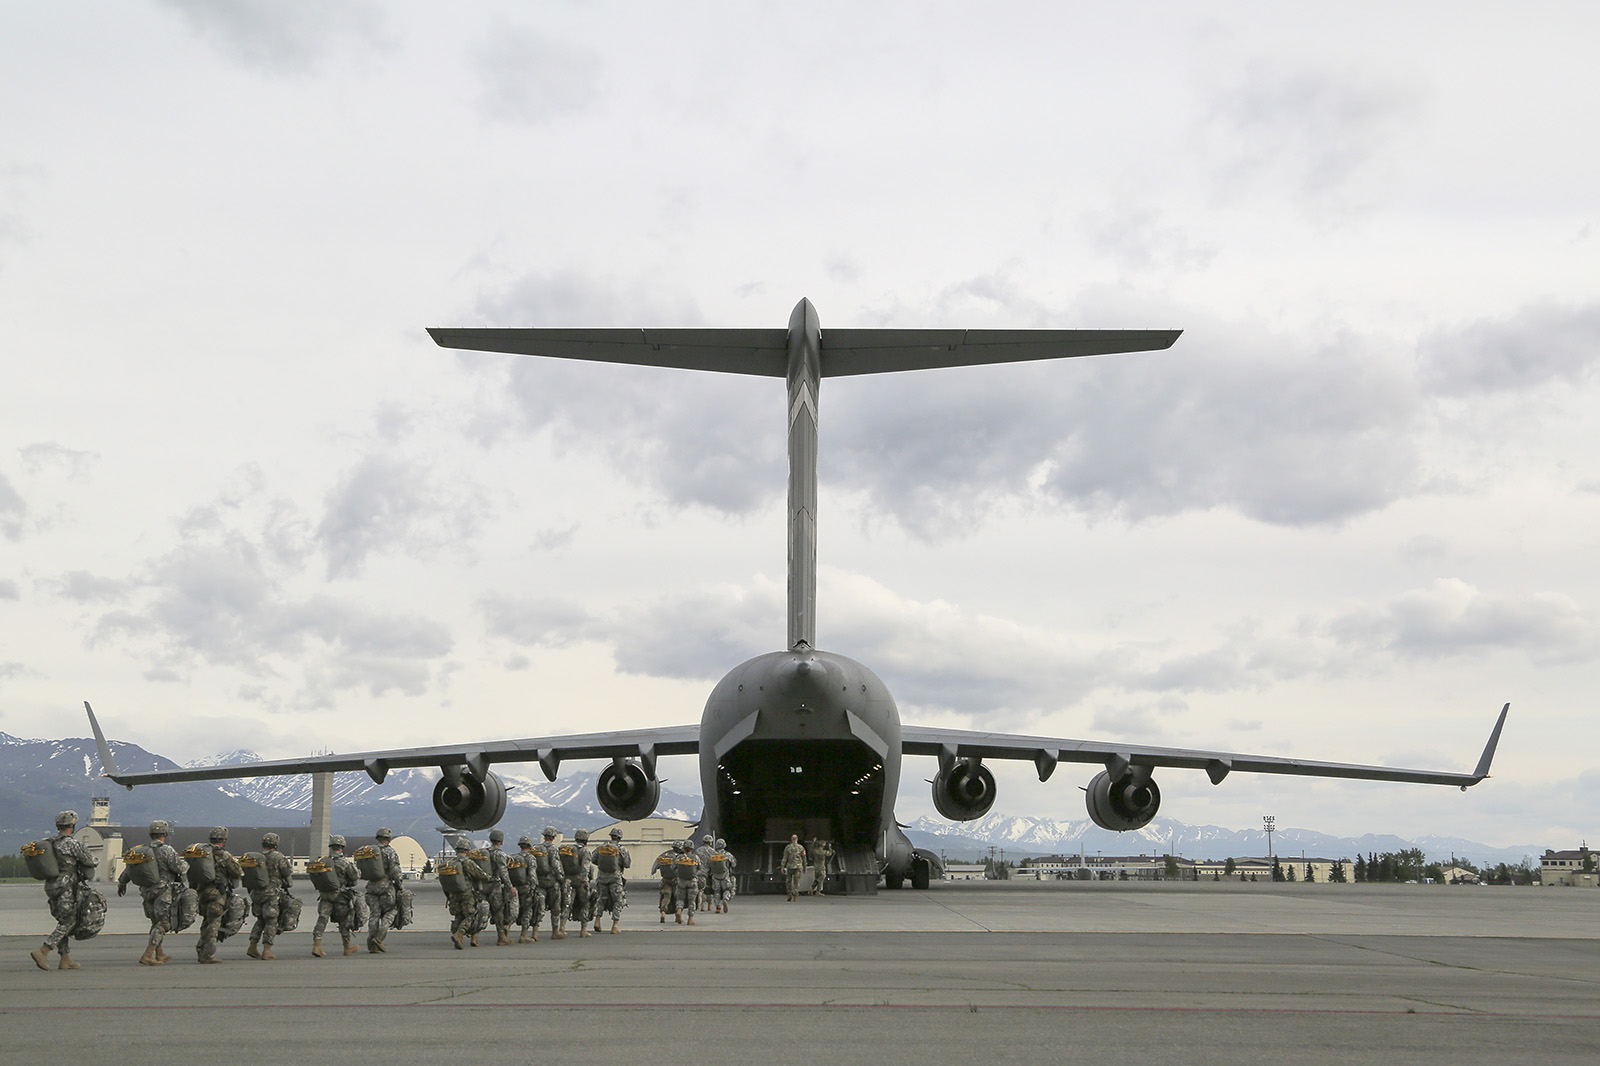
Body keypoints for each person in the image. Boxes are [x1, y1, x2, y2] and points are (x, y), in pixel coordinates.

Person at [29, 810, 98, 971]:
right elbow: (91, 860)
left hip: (51, 885)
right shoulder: (71, 843)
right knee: (69, 921)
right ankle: (43, 951)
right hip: (66, 885)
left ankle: (65, 959)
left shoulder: (49, 842)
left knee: (62, 920)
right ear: (72, 826)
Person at [117, 819, 187, 966]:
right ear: (165, 834)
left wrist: (122, 884)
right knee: (163, 922)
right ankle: (148, 954)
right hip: (162, 891)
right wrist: (186, 863)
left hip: (146, 891)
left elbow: (128, 870)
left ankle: (159, 953)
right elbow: (180, 868)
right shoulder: (166, 850)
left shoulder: (141, 850)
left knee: (155, 922)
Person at [192, 827, 242, 964]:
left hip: (202, 893)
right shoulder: (224, 855)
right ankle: (208, 954)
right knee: (214, 922)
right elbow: (237, 872)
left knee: (206, 921)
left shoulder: (202, 854)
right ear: (224, 840)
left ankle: (200, 950)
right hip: (217, 894)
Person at [311, 835, 366, 957]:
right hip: (340, 896)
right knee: (344, 922)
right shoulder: (345, 862)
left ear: (331, 847)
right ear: (342, 847)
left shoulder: (324, 861)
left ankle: (316, 945)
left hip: (325, 895)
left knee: (322, 919)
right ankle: (347, 947)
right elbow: (355, 876)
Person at [245, 832, 293, 960]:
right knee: (271, 920)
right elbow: (287, 872)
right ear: (275, 845)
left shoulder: (256, 857)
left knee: (260, 919)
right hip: (271, 893)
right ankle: (267, 950)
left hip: (256, 893)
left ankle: (252, 946)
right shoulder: (278, 857)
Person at [363, 827, 406, 953]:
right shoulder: (390, 852)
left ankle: (371, 943)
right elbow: (395, 870)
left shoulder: (370, 852)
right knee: (391, 911)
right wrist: (400, 885)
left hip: (371, 887)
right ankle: (379, 937)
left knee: (374, 914)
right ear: (388, 839)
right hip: (386, 887)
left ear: (378, 838)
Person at [443, 837, 490, 950]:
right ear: (467, 850)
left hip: (453, 894)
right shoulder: (468, 863)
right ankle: (459, 934)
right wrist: (489, 877)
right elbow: (481, 875)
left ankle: (456, 933)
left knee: (459, 915)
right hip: (467, 894)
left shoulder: (450, 863)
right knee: (471, 915)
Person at [529, 826, 566, 940]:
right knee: (555, 907)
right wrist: (561, 878)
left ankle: (535, 932)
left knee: (539, 906)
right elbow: (556, 865)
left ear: (544, 836)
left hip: (539, 881)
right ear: (553, 837)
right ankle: (555, 931)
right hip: (551, 882)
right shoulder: (553, 849)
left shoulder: (536, 848)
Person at [591, 827, 631, 934]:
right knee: (618, 900)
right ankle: (615, 926)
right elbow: (627, 864)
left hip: (601, 877)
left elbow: (593, 859)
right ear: (620, 838)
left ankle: (597, 921)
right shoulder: (622, 849)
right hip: (615, 877)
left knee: (601, 899)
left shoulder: (601, 847)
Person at [558, 829, 595, 938]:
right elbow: (585, 867)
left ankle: (562, 928)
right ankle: (583, 930)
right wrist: (585, 881)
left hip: (568, 880)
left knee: (567, 904)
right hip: (580, 881)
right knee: (585, 903)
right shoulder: (585, 851)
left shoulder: (569, 849)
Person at [484, 828, 516, 946]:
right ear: (501, 841)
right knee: (499, 912)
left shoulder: (485, 853)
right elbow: (503, 872)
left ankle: (474, 937)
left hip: (483, 885)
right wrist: (510, 886)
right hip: (495, 886)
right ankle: (502, 937)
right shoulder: (500, 854)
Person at [510, 835, 541, 942]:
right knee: (527, 911)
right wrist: (533, 888)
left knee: (512, 911)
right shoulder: (530, 858)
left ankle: (505, 932)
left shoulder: (512, 857)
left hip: (513, 888)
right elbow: (532, 874)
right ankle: (523, 935)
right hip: (525, 888)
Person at [672, 838, 701, 925]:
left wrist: (678, 874)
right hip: (692, 881)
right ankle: (690, 919)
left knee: (680, 899)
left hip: (681, 881)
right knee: (692, 901)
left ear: (684, 848)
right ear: (692, 848)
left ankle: (679, 911)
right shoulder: (695, 857)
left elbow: (673, 868)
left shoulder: (679, 857)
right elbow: (699, 868)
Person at [706, 837, 736, 914]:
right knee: (727, 889)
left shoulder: (712, 855)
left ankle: (718, 907)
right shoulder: (727, 854)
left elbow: (708, 865)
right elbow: (734, 864)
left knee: (717, 892)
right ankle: (725, 899)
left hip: (715, 876)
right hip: (725, 875)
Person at [650, 843, 678, 924]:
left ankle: (663, 913)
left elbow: (658, 866)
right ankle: (677, 915)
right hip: (675, 881)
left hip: (665, 881)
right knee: (677, 898)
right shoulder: (679, 857)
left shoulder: (665, 855)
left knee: (666, 897)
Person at [781, 834, 808, 902]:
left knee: (788, 882)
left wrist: (782, 866)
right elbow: (804, 858)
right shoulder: (801, 847)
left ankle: (789, 895)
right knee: (796, 882)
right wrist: (805, 867)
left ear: (791, 839)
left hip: (790, 867)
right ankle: (795, 896)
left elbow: (785, 858)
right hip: (798, 867)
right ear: (797, 839)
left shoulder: (788, 847)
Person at [694, 833, 716, 913]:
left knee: (701, 889)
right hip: (709, 873)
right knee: (709, 889)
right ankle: (710, 905)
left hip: (699, 873)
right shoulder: (713, 851)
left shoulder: (698, 850)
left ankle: (702, 904)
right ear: (710, 842)